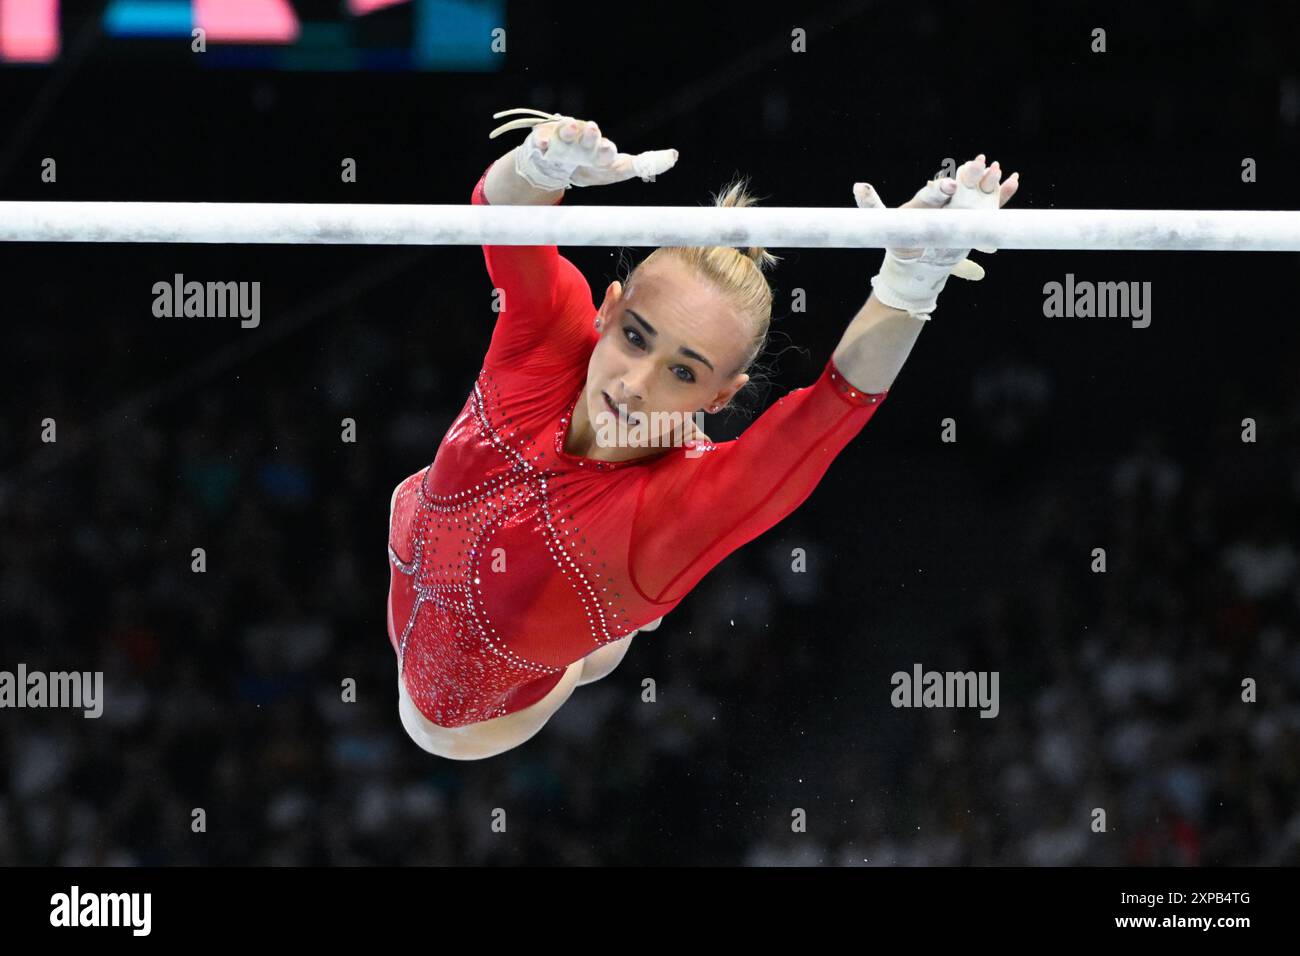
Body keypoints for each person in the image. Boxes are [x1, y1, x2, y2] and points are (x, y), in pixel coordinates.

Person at [388, 108, 1020, 759]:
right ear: (607, 309)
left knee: (529, 682)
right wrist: (539, 164)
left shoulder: (680, 512)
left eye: (683, 371)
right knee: (545, 597)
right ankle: (622, 626)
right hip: (427, 532)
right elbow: (498, 215)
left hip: (466, 712)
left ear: (720, 397)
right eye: (635, 336)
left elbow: (830, 410)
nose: (635, 383)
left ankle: (615, 631)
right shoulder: (552, 338)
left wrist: (912, 282)